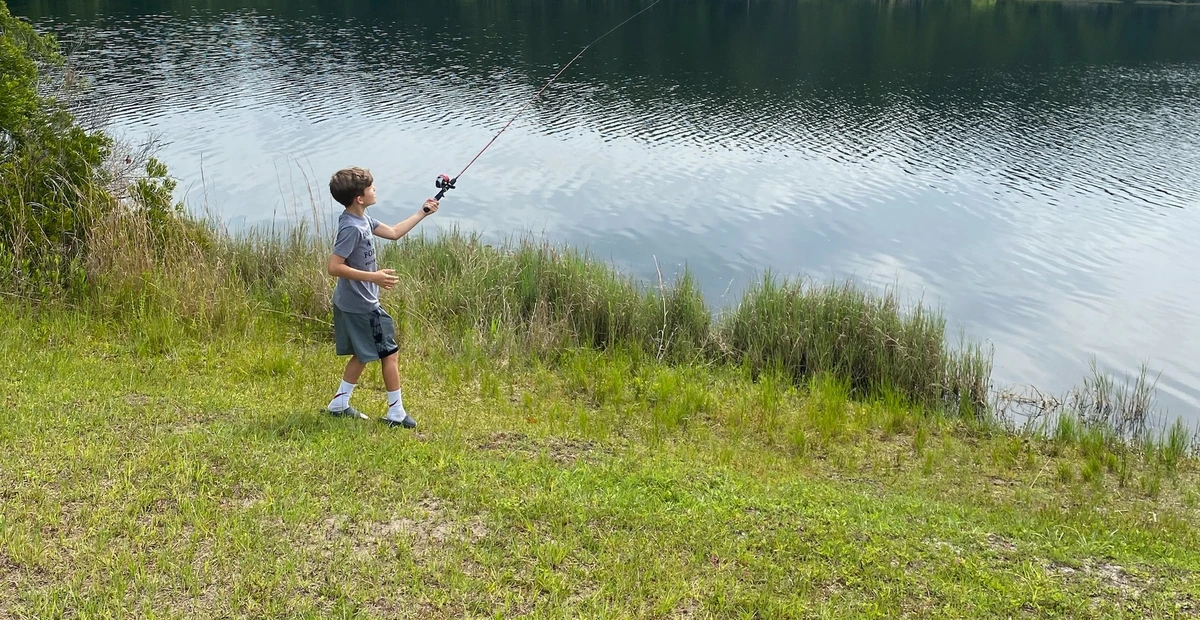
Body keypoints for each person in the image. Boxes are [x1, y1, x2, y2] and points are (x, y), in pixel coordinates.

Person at [323, 166, 438, 428]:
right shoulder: (351, 228)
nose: (375, 190)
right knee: (390, 353)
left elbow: (394, 233)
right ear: (359, 198)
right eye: (371, 188)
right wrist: (374, 277)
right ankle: (396, 413)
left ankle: (339, 404)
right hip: (362, 304)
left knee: (363, 353)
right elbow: (334, 267)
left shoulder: (362, 218)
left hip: (354, 301)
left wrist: (422, 212)